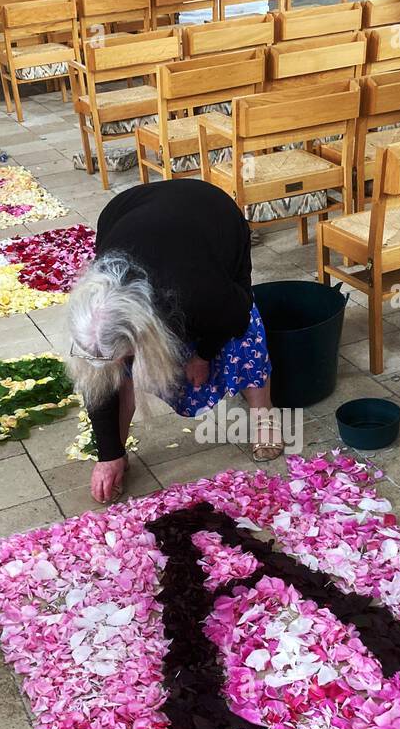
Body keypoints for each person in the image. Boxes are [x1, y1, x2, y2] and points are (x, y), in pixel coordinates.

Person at [66, 180, 284, 505]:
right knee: (112, 369)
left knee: (245, 339)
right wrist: (108, 455)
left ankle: (264, 417)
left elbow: (234, 315)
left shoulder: (198, 293)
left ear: (143, 333)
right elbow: (100, 384)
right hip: (130, 209)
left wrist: (203, 355)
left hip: (213, 214)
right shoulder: (94, 306)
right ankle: (118, 455)